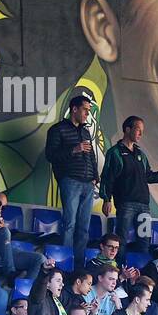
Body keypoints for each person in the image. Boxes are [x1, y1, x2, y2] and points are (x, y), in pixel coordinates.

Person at [99, 115, 158, 250]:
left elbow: (148, 176)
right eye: (138, 129)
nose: (141, 134)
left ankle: (141, 270)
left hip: (144, 206)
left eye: (142, 130)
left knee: (144, 241)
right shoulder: (115, 152)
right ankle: (119, 269)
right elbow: (107, 177)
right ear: (127, 129)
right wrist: (106, 199)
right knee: (122, 240)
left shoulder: (140, 154)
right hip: (126, 204)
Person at [44, 90, 100, 269]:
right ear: (74, 109)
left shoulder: (85, 132)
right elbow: (50, 155)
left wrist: (95, 177)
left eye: (88, 111)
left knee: (84, 227)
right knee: (70, 224)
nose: (87, 114)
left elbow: (91, 156)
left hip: (87, 183)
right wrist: (73, 150)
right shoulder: (57, 129)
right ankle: (65, 265)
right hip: (70, 181)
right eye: (85, 110)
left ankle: (78, 267)